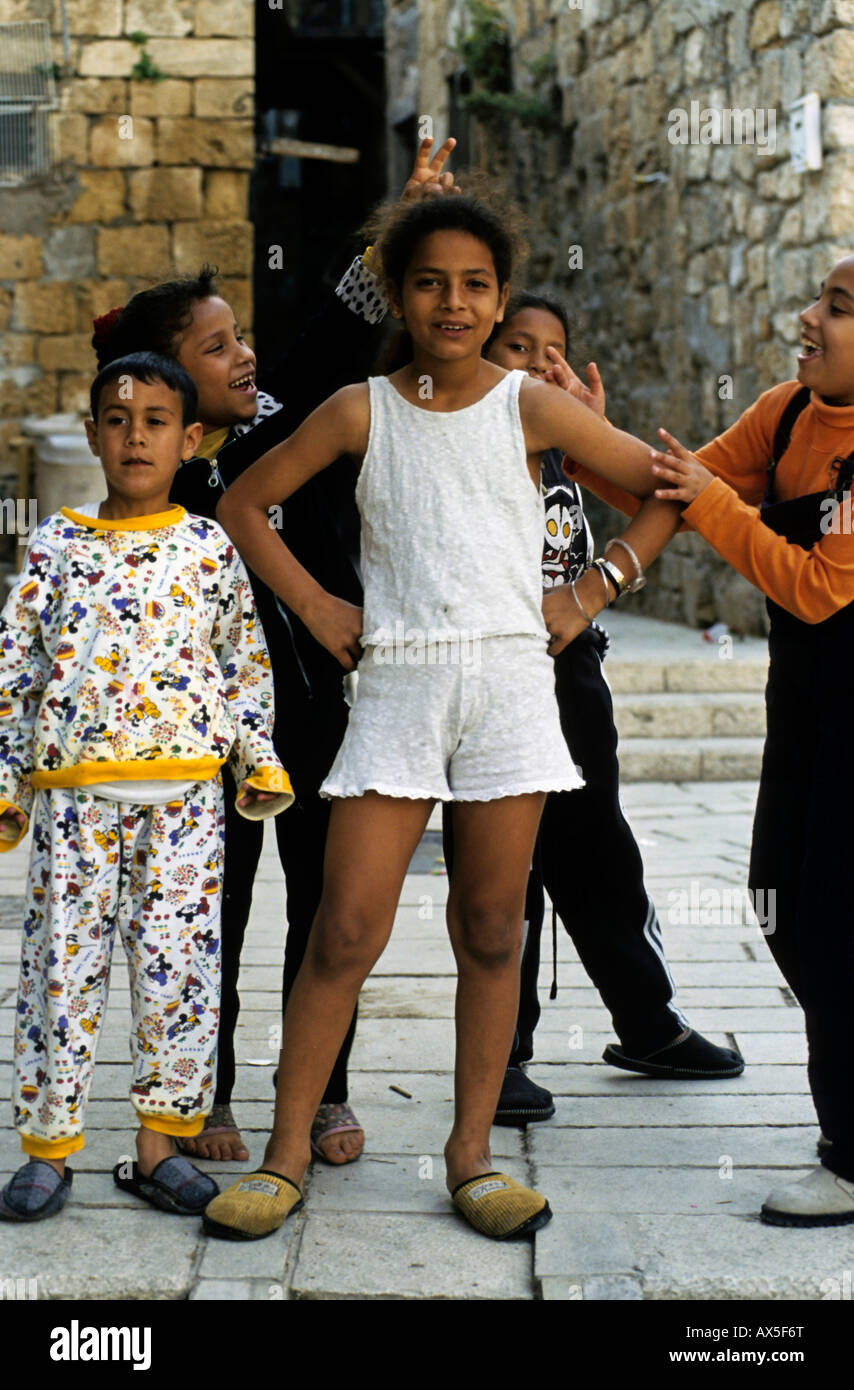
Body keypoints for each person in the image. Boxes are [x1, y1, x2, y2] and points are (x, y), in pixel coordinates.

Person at [203, 188, 684, 1242]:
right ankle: (286, 1156)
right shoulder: (357, 408)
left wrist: (590, 588)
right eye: (429, 282)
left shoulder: (531, 406)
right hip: (399, 687)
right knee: (342, 928)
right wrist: (319, 601)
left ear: (499, 294)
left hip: (510, 689)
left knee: (488, 927)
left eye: (474, 285)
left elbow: (669, 487)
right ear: (398, 292)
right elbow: (244, 502)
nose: (453, 304)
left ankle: (468, 1156)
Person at [90, 137, 461, 1166]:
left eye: (238, 335)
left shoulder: (278, 434)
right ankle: (200, 1095)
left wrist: (402, 223)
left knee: (321, 907)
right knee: (206, 914)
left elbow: (333, 337)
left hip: (314, 719)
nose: (242, 355)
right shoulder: (155, 482)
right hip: (200, 738)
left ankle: (327, 1088)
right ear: (164, 378)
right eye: (216, 348)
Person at [580, 255, 854, 1227]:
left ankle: (848, 1152)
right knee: (778, 902)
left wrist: (706, 498)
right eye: (817, 299)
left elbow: (816, 584)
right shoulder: (784, 414)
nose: (807, 319)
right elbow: (671, 484)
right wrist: (581, 434)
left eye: (836, 307)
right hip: (804, 705)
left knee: (828, 917)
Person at [0, 353, 292, 1223]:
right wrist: (10, 777)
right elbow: (15, 669)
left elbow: (243, 665)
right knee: (60, 972)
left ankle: (159, 1148)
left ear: (189, 439)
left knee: (181, 978)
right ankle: (49, 1150)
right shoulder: (55, 543)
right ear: (92, 434)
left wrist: (256, 755)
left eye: (156, 421)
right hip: (76, 801)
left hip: (185, 808)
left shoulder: (208, 548)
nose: (136, 436)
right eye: (117, 421)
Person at [469, 293, 743, 1126]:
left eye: (553, 351)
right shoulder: (465, 435)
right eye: (517, 346)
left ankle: (647, 1024)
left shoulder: (562, 444)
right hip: (491, 675)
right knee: (505, 871)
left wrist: (599, 575)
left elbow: (672, 493)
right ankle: (502, 1055)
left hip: (572, 672)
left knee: (601, 854)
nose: (537, 364)